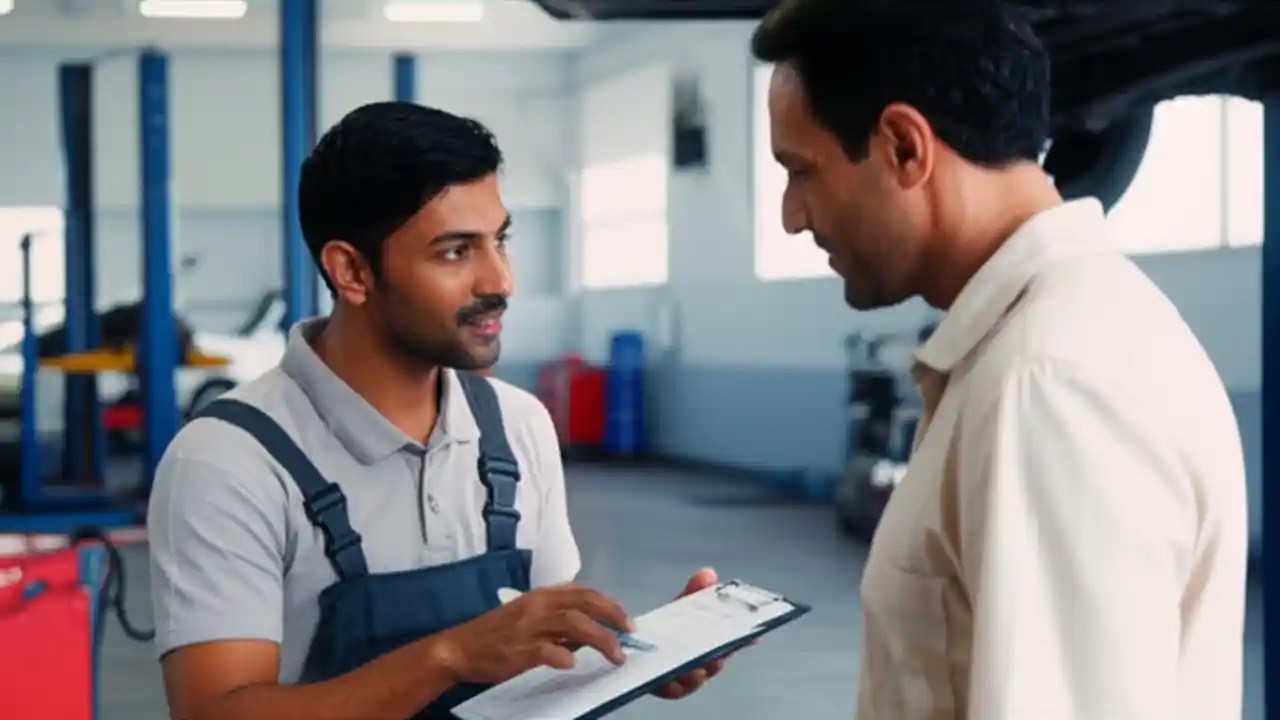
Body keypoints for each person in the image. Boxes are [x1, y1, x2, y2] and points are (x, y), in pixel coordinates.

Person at [147, 102, 726, 720]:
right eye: (455, 252)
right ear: (351, 271)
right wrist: (448, 656)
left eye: (499, 240)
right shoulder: (228, 461)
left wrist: (628, 660)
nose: (498, 279)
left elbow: (542, 653)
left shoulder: (517, 425)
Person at [752, 1, 1248, 718]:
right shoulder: (1051, 343)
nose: (791, 216)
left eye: (801, 171)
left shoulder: (1049, 382)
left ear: (903, 147)